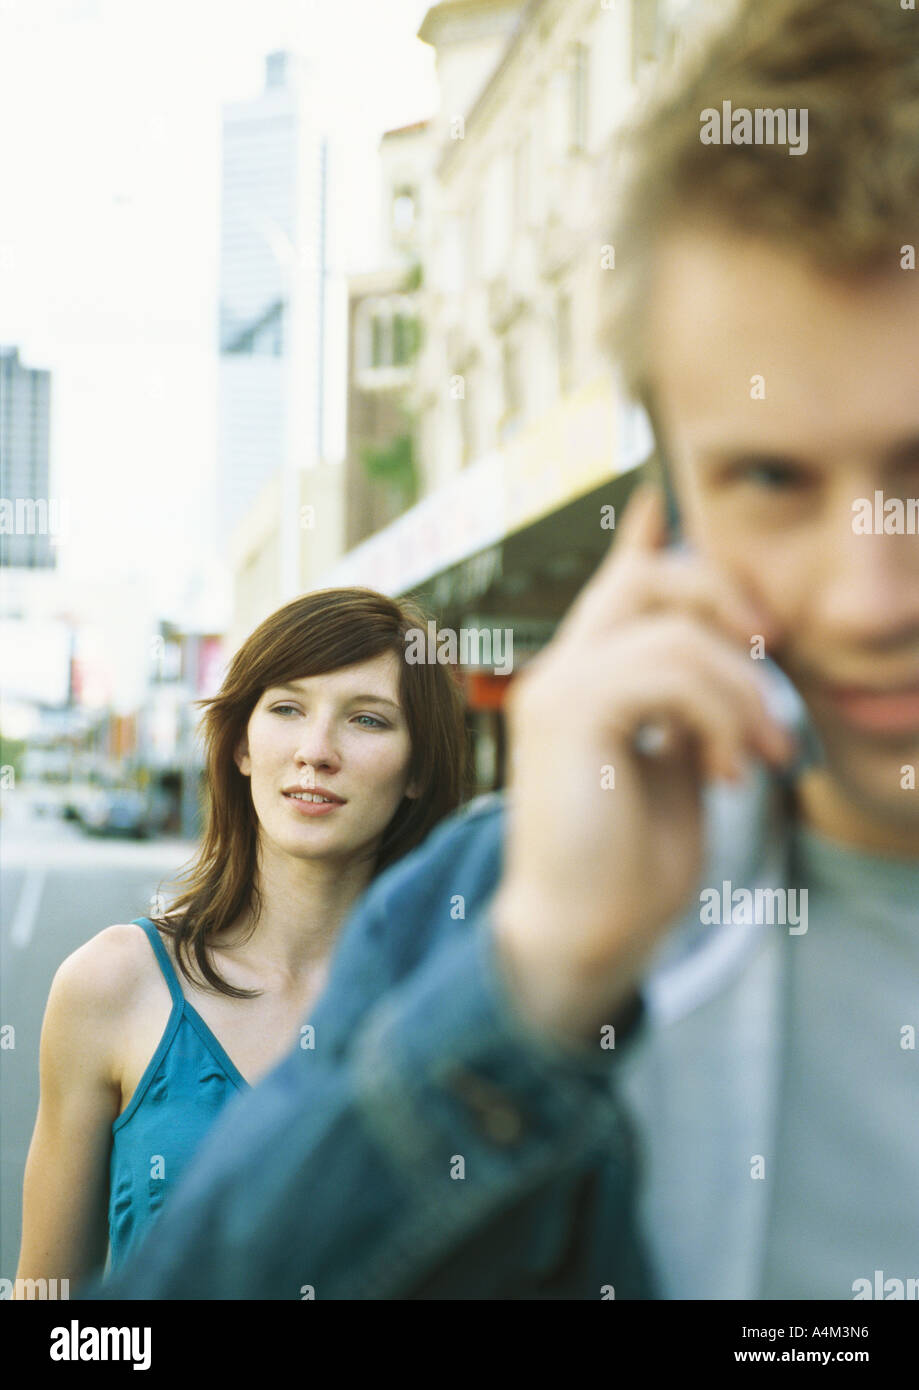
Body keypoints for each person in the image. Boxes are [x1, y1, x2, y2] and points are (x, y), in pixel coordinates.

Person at [89, 0, 919, 1299]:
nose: (869, 595)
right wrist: (530, 989)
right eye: (766, 475)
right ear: (669, 505)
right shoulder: (491, 908)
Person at [13, 588, 468, 1293]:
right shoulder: (111, 984)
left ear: (416, 771)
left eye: (367, 719)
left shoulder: (466, 1001)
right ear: (241, 747)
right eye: (287, 708)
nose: (316, 752)